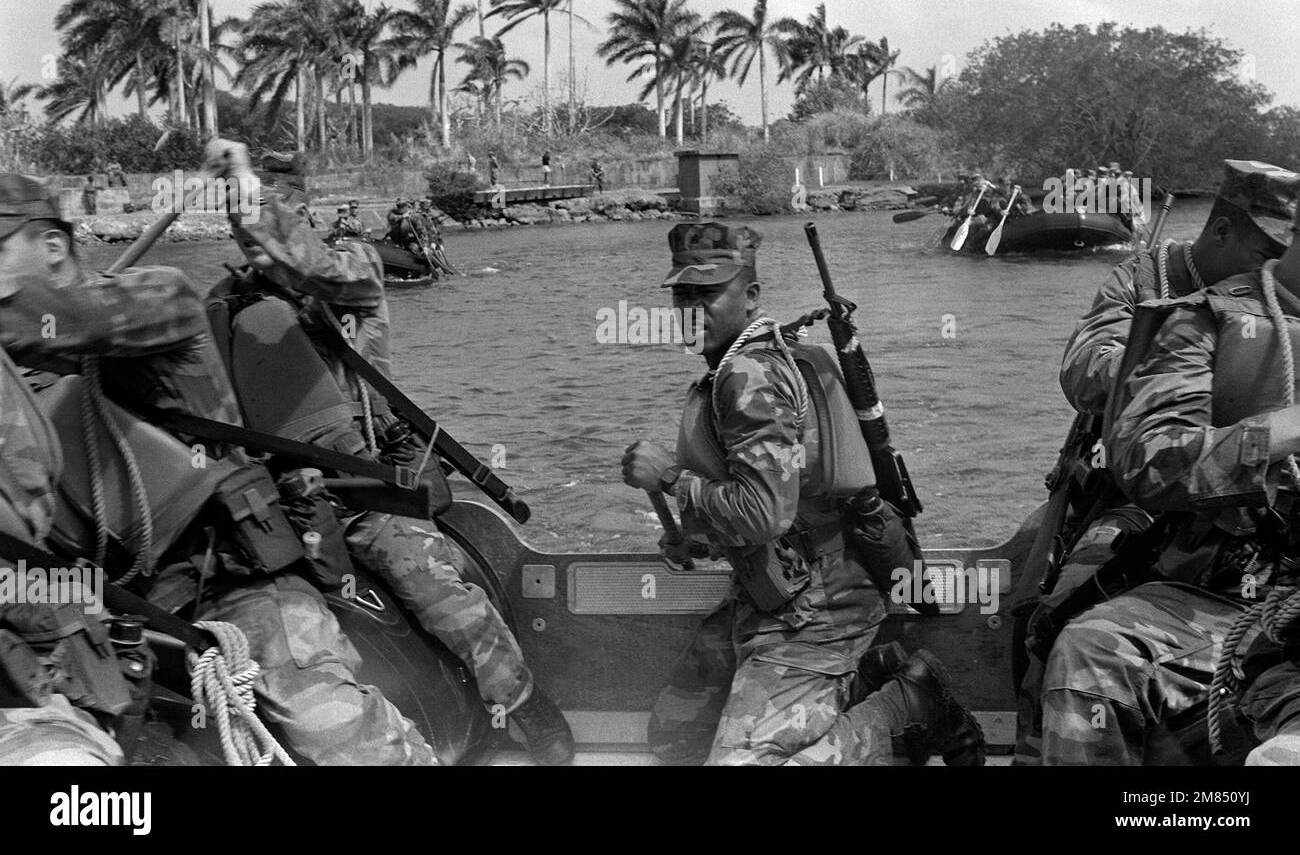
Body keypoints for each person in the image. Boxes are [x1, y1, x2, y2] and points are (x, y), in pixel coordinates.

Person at [0, 172, 439, 766]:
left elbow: (46, 317)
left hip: (229, 581)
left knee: (327, 724)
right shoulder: (14, 384)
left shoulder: (161, 300)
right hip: (104, 606)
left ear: (52, 246)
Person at [202, 139, 575, 764]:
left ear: (299, 205)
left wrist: (248, 195)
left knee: (431, 585)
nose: (258, 228)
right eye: (249, 207)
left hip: (362, 488)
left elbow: (309, 265)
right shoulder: (226, 301)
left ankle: (526, 704)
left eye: (278, 203)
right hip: (275, 499)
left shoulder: (352, 271)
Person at [622, 222, 984, 766]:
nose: (692, 309)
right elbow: (790, 499)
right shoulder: (764, 357)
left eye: (708, 293)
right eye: (682, 294)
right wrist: (698, 538)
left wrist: (671, 479)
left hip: (819, 607)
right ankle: (870, 675)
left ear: (750, 296)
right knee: (674, 741)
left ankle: (911, 703)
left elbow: (763, 513)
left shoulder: (748, 376)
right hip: (774, 588)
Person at [1013, 159, 1291, 764]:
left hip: (1239, 505)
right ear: (1220, 233)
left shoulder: (1276, 311)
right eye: (1264, 249)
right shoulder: (1147, 278)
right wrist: (1186, 368)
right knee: (1057, 613)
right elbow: (1085, 368)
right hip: (1133, 496)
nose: (1272, 268)